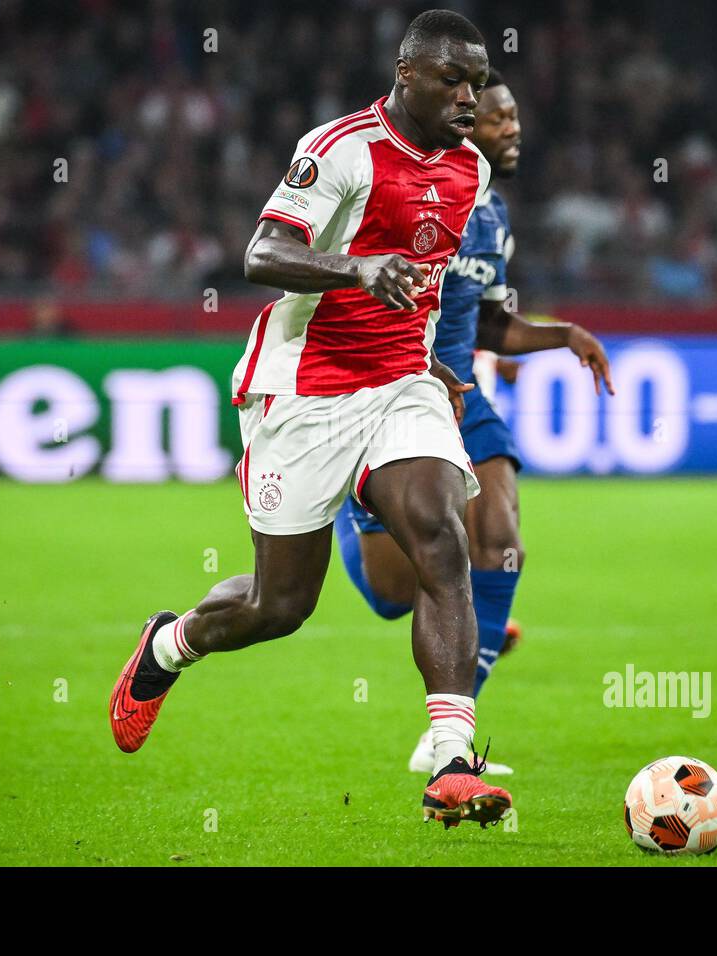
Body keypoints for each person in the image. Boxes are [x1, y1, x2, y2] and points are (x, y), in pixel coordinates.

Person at [109, 10, 512, 829]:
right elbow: (261, 254)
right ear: (407, 74)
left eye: (477, 80)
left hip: (399, 384)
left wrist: (426, 353)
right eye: (452, 80)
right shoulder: (339, 150)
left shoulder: (470, 169)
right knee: (280, 605)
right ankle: (166, 647)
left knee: (443, 534)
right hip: (303, 391)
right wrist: (357, 268)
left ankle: (451, 760)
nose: (469, 97)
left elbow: (427, 277)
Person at [333, 72, 615, 776]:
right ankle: (348, 508)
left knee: (502, 533)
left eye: (515, 116)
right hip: (393, 394)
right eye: (497, 119)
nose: (512, 128)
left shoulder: (492, 215)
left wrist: (563, 334)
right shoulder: (418, 200)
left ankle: (450, 735)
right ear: (461, 124)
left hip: (463, 397)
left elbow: (486, 318)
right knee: (398, 593)